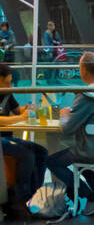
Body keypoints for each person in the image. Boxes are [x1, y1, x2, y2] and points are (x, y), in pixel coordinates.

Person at [46, 52, 94, 219]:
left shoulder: (85, 97)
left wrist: (63, 114)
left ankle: (90, 196)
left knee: (53, 162)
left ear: (83, 71)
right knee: (81, 161)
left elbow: (68, 128)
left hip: (92, 151)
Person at [0, 64, 49, 215]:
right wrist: (21, 117)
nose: (10, 85)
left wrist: (27, 109)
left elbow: (16, 110)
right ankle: (20, 198)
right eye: (6, 82)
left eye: (10, 81)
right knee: (26, 154)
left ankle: (35, 194)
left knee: (41, 151)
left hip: (7, 138)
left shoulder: (7, 93)